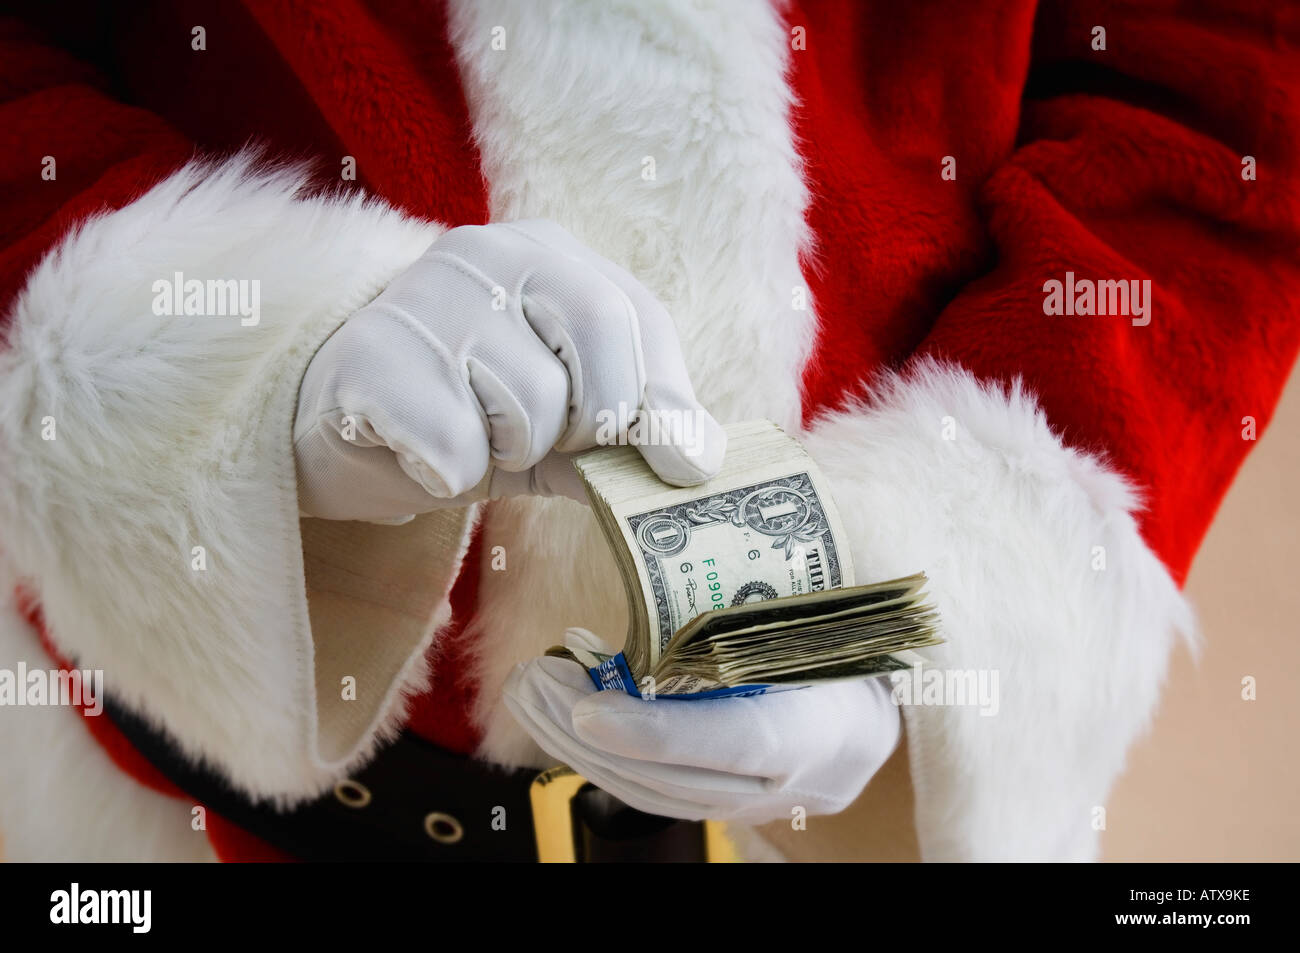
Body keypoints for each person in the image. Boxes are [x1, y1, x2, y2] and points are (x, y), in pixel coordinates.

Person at [1, 0, 1296, 862]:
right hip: (119, 792)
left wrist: (927, 609)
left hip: (816, 812)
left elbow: (1224, 91)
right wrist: (217, 356)